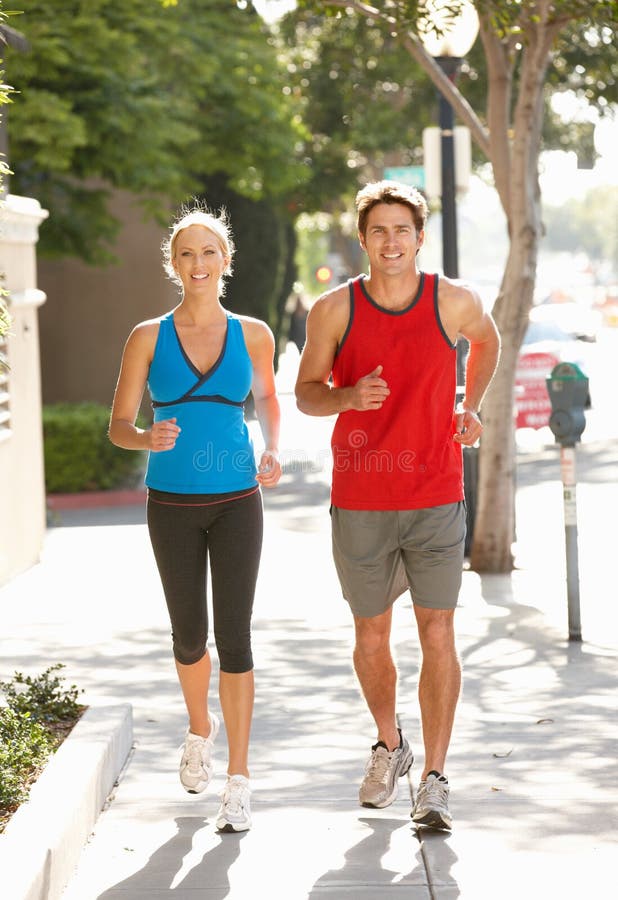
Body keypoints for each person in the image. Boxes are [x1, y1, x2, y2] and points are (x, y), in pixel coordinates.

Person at [295, 180, 500, 830]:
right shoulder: (333, 310)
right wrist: (346, 396)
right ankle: (391, 744)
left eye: (402, 230)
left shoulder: (454, 300)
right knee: (371, 634)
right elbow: (305, 392)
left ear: (418, 237)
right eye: (378, 230)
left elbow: (487, 341)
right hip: (361, 495)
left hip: (437, 493)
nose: (391, 241)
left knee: (438, 630)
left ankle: (435, 779)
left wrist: (469, 405)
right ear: (363, 239)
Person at [109, 203, 281, 833]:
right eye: (187, 253)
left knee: (236, 639)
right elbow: (119, 426)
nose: (199, 263)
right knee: (189, 636)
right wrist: (145, 438)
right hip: (172, 505)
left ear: (226, 260)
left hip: (239, 500)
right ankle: (198, 730)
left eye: (210, 252)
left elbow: (266, 401)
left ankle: (238, 780)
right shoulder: (147, 337)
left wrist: (273, 450)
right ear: (174, 265)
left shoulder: (255, 333)